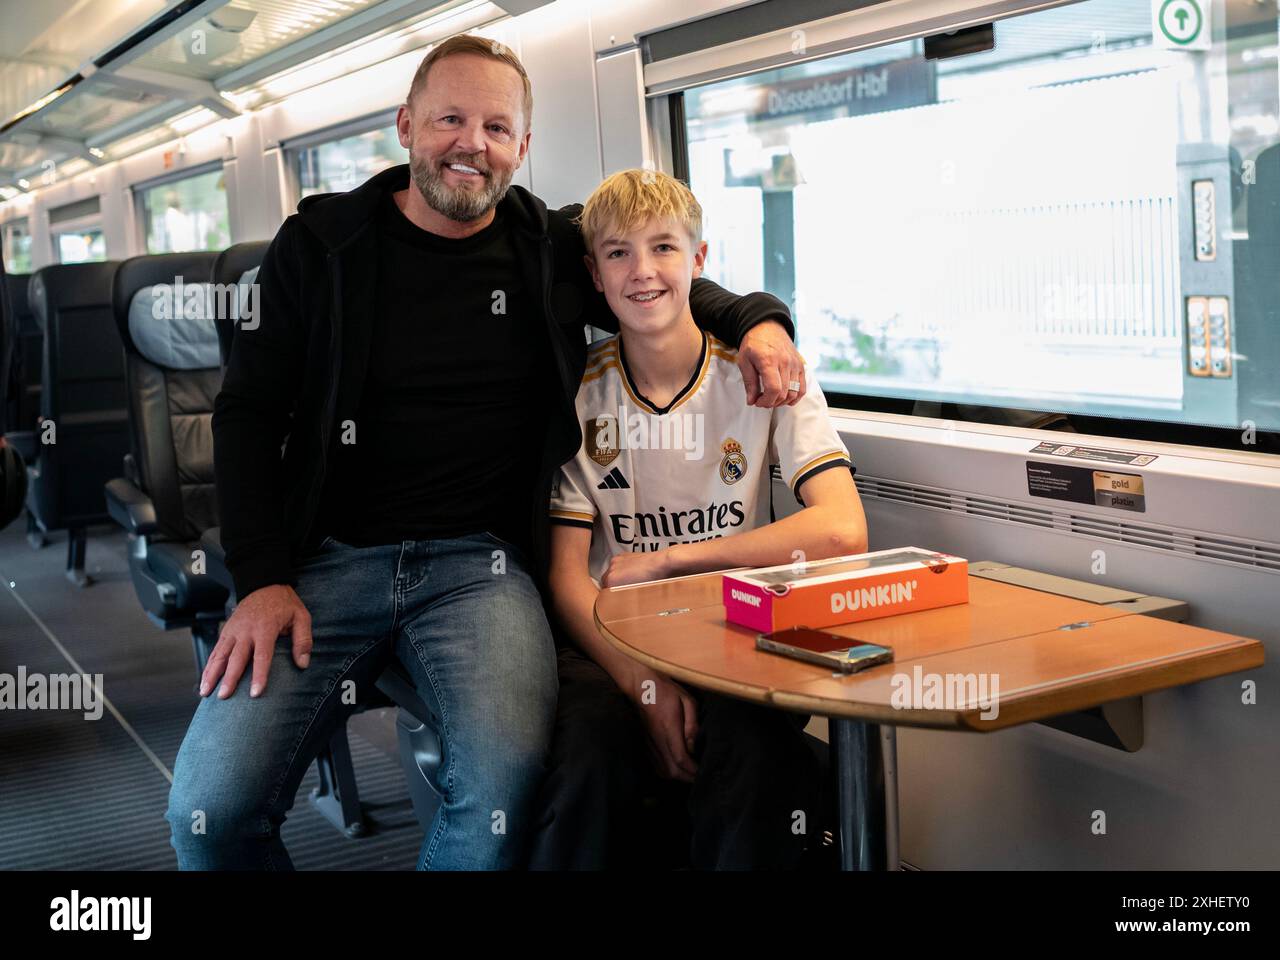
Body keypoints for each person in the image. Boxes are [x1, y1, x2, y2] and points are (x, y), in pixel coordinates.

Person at [164, 34, 807, 871]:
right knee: (208, 811)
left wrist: (760, 323)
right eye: (450, 120)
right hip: (325, 566)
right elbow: (245, 415)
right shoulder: (320, 249)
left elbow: (659, 274)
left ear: (523, 149)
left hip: (483, 573)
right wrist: (261, 581)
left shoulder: (546, 251)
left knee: (502, 789)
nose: (473, 143)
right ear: (406, 126)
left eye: (497, 128)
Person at [530, 170, 868, 869]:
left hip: (732, 627)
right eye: (618, 253)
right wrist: (642, 684)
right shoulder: (577, 397)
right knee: (586, 758)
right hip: (614, 637)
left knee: (755, 752)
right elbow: (567, 578)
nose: (643, 271)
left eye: (663, 249)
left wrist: (670, 560)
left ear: (700, 260)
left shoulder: (768, 374)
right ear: (593, 273)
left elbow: (842, 531)